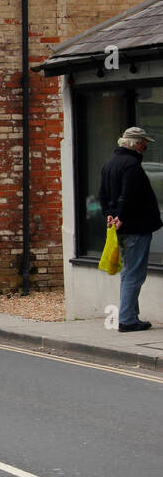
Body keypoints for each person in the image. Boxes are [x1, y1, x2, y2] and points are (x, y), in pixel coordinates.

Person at [98, 126, 160, 332]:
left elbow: (103, 194)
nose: (145, 147)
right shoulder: (131, 165)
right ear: (135, 144)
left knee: (128, 272)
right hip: (135, 227)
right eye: (143, 143)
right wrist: (121, 216)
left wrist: (109, 213)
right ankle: (127, 319)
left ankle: (131, 315)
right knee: (134, 273)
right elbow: (128, 194)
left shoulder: (110, 163)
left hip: (122, 227)